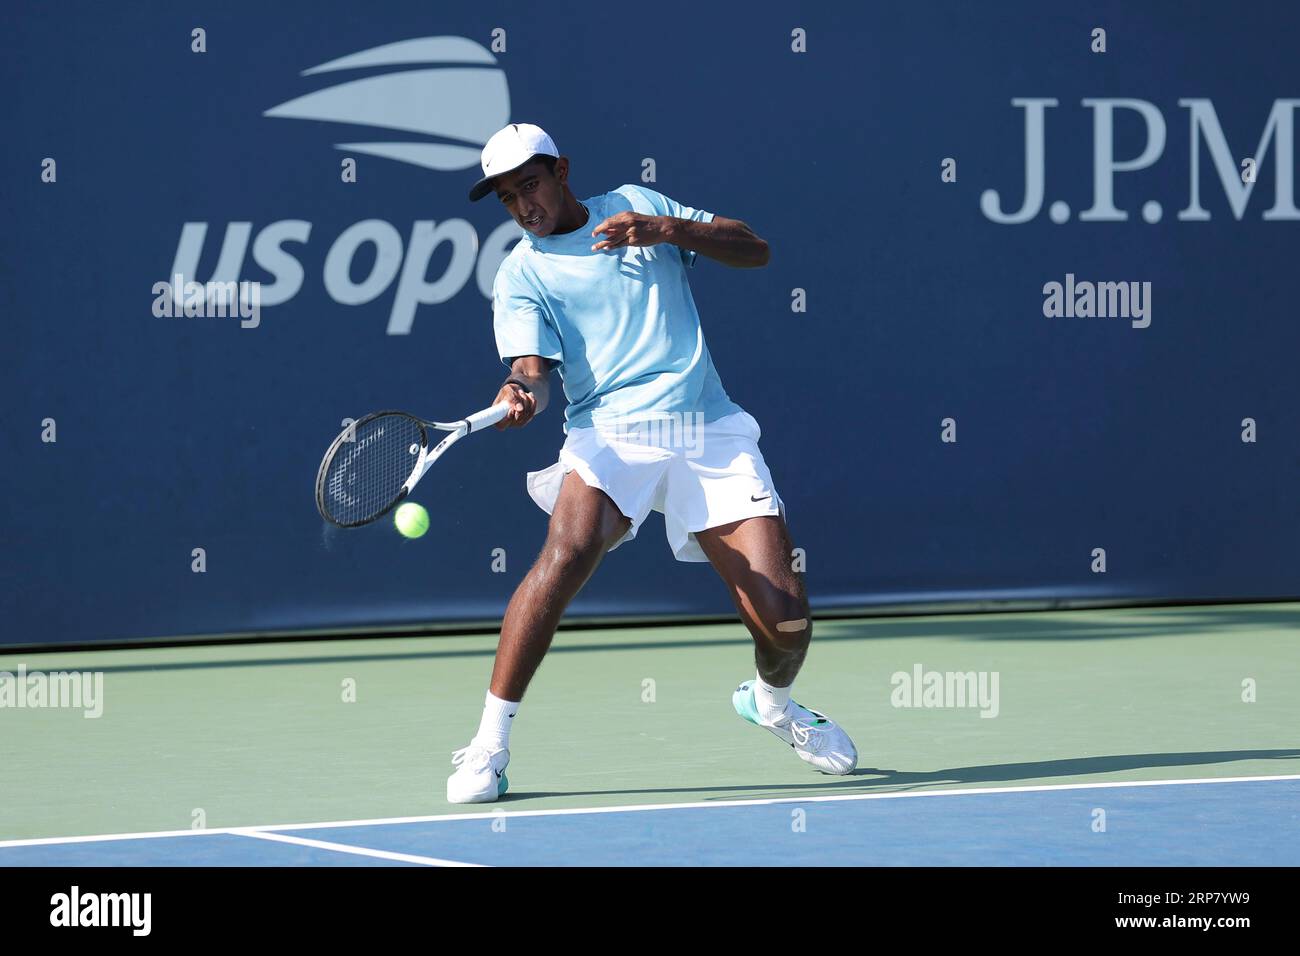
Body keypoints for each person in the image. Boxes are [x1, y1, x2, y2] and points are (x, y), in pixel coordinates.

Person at [448, 123, 856, 803]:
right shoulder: (521, 274)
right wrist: (523, 390)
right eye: (508, 198)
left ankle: (773, 706)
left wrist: (668, 230)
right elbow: (534, 369)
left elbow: (755, 250)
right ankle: (489, 746)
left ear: (562, 171)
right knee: (568, 551)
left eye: (531, 184)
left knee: (785, 620)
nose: (524, 205)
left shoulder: (636, 204)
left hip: (709, 428)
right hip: (612, 435)